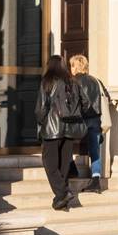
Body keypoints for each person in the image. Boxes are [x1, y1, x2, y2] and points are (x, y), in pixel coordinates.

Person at [35, 55, 86, 211]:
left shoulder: (48, 81)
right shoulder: (73, 82)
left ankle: (63, 193)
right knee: (63, 165)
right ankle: (60, 200)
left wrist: (41, 122)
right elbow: (85, 104)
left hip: (52, 130)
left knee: (50, 164)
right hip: (69, 130)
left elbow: (41, 108)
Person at [70, 54, 114, 193]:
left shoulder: (73, 81)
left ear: (76, 67)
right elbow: (106, 97)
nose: (70, 68)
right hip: (96, 119)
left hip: (79, 120)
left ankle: (71, 170)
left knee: (67, 143)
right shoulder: (96, 81)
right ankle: (96, 180)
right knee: (95, 151)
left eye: (71, 65)